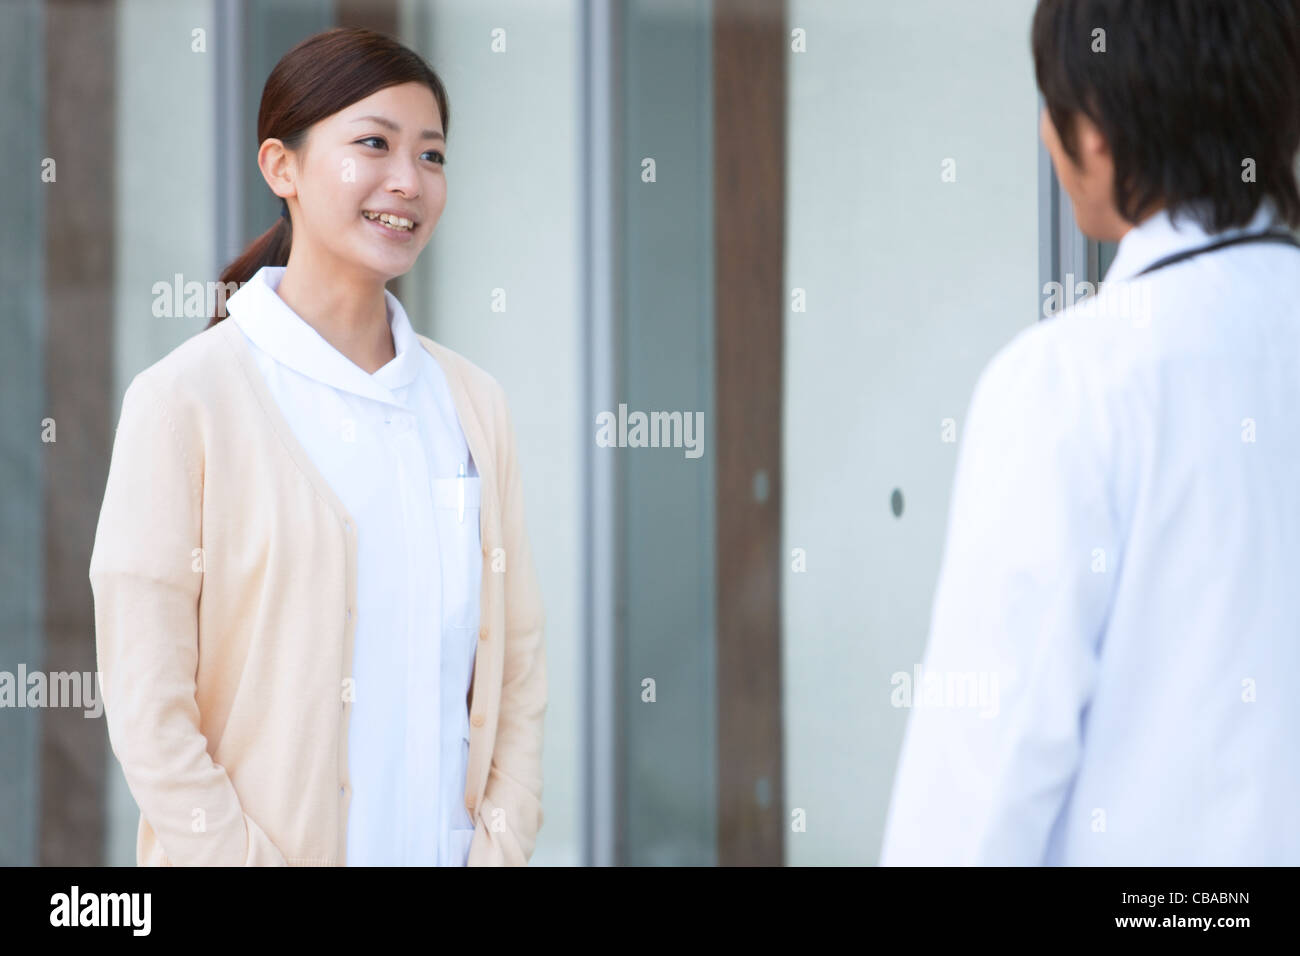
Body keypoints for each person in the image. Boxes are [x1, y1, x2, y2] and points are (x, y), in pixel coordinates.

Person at [88, 27, 547, 866]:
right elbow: (149, 713)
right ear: (282, 167)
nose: (408, 181)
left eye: (433, 155)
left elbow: (516, 671)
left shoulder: (473, 406)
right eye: (373, 143)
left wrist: (500, 846)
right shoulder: (184, 403)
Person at [880, 0, 1300, 865]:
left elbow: (974, 803)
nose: (1044, 132)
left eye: (1053, 104)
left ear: (1098, 132)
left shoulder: (1069, 387)